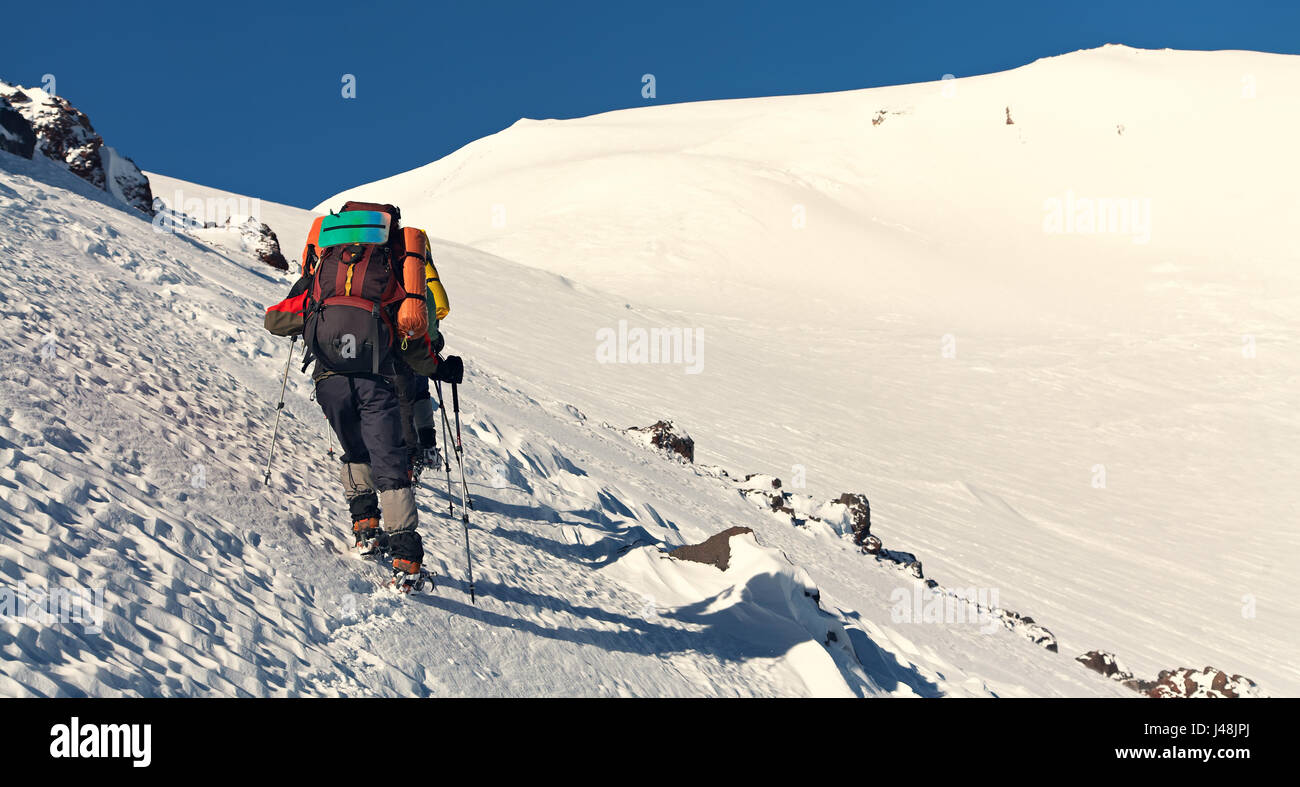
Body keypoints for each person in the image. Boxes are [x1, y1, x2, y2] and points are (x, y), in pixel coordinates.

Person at [264, 203, 462, 589]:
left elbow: (275, 320)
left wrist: (310, 303)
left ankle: (365, 529)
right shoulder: (391, 276)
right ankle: (406, 560)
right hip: (376, 381)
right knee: (390, 465)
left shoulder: (326, 277)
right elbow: (413, 346)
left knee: (354, 451)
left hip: (329, 382)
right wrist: (440, 368)